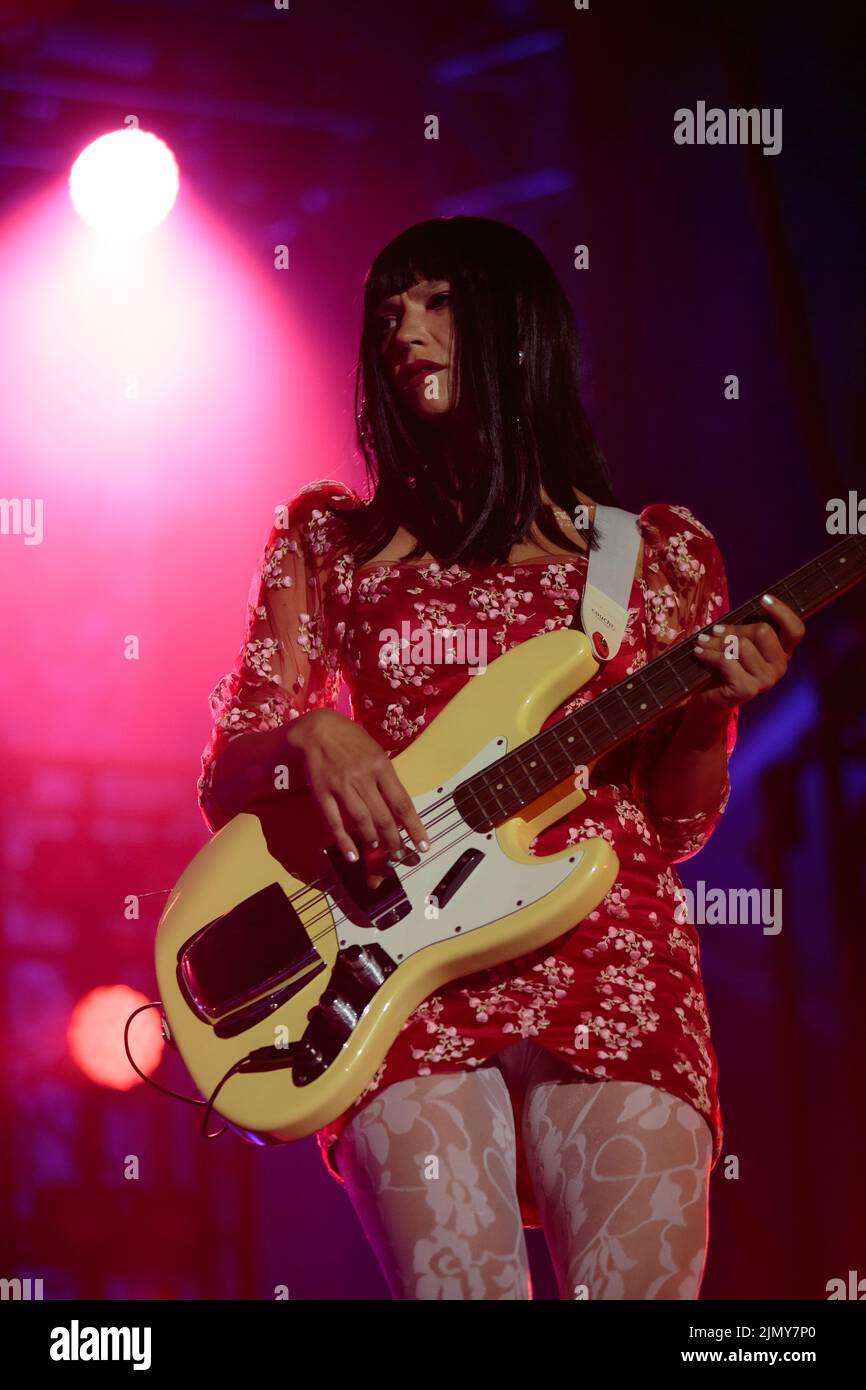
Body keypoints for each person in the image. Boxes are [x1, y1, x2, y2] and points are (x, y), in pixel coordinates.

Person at [196, 216, 804, 1300]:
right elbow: (226, 770)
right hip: (397, 971)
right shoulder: (329, 542)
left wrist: (709, 716)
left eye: (434, 305)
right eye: (387, 313)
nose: (402, 334)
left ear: (515, 331)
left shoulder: (652, 554)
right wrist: (302, 734)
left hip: (610, 962)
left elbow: (667, 828)